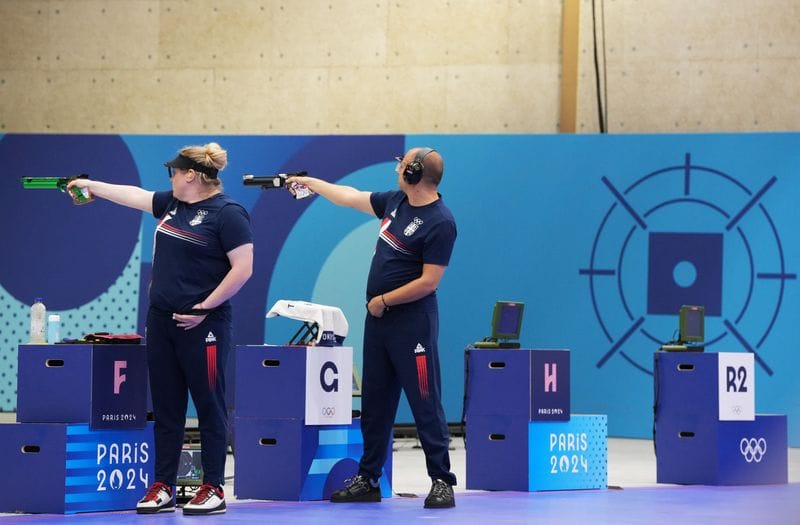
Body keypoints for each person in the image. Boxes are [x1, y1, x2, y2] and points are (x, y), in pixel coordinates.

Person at [68, 143, 253, 516]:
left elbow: (243, 268)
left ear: (191, 175)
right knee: (167, 409)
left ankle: (213, 487)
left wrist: (205, 307)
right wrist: (91, 186)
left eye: (174, 172)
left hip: (205, 326)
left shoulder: (228, 214)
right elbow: (133, 195)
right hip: (162, 322)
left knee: (209, 405)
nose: (170, 178)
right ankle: (163, 485)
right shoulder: (172, 204)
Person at [287, 147, 458, 509]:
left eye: (402, 164)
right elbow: (349, 197)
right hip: (379, 321)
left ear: (414, 173)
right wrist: (311, 183)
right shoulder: (395, 202)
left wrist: (384, 300)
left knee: (425, 401)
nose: (397, 168)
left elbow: (429, 282)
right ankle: (368, 478)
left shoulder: (441, 221)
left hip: (412, 323)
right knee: (376, 403)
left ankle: (442, 480)